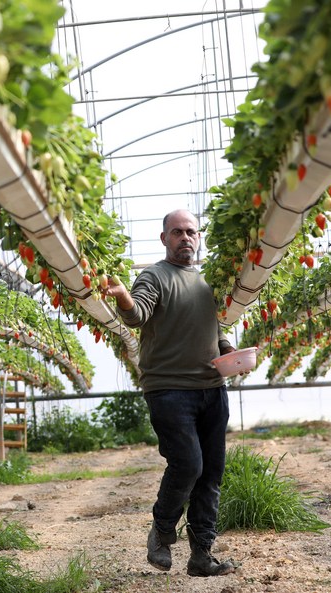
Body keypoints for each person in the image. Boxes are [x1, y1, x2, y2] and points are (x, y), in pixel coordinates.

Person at [101, 209, 236, 577]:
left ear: (198, 237)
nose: (185, 238)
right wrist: (123, 298)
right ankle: (161, 532)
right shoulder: (154, 276)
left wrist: (228, 351)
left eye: (191, 232)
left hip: (212, 389)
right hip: (169, 390)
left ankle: (201, 555)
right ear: (164, 239)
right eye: (177, 232)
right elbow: (137, 315)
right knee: (188, 464)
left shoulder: (209, 281)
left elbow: (212, 328)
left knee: (211, 474)